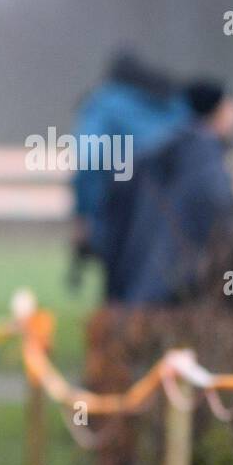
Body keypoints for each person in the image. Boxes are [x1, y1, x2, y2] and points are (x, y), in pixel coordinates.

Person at [106, 80, 233, 304]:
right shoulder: (206, 165)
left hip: (144, 289)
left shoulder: (164, 152)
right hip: (185, 294)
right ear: (217, 112)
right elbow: (225, 232)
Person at [70, 50, 189, 290]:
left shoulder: (104, 103)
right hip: (178, 212)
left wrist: (85, 213)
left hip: (122, 212)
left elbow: (90, 160)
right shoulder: (177, 103)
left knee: (122, 293)